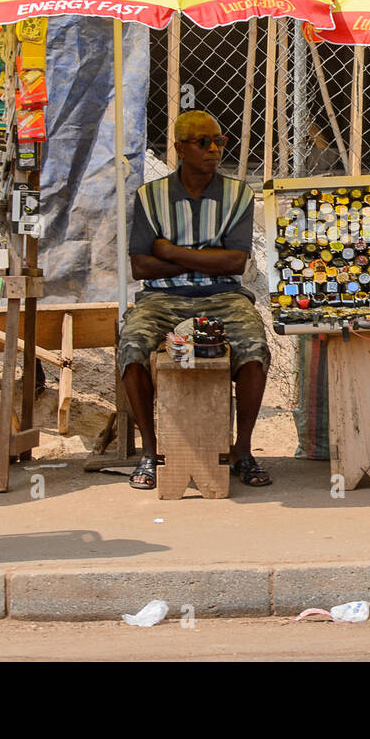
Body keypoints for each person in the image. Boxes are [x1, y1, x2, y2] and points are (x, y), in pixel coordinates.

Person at [118, 109, 272, 489]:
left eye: (219, 141)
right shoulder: (150, 197)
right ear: (179, 149)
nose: (214, 150)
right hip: (161, 299)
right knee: (131, 345)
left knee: (255, 346)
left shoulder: (239, 194)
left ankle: (243, 450)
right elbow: (141, 267)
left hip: (224, 295)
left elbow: (235, 262)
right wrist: (206, 258)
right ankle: (152, 453)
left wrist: (169, 251)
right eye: (203, 142)